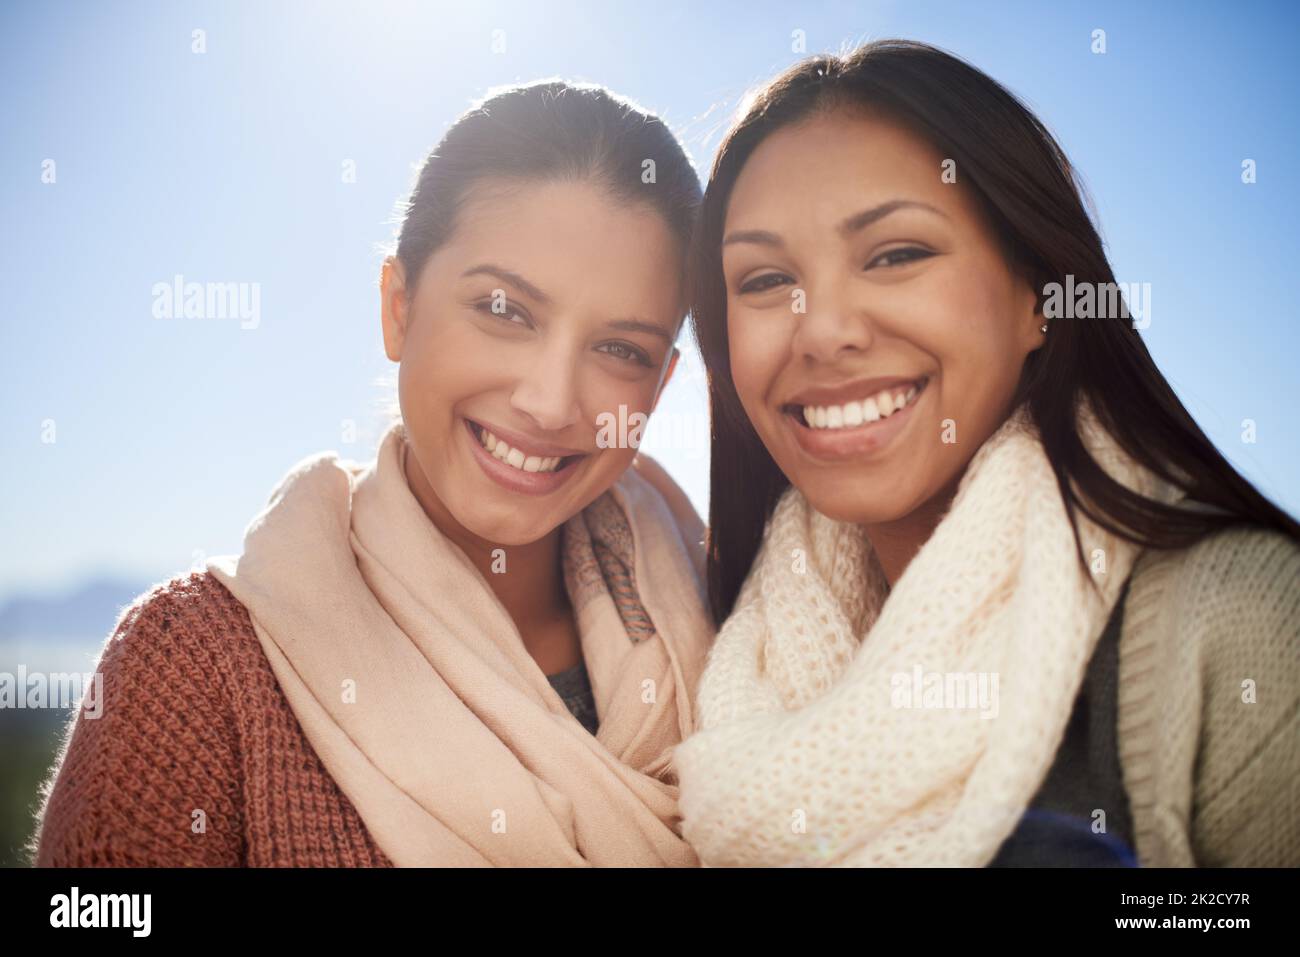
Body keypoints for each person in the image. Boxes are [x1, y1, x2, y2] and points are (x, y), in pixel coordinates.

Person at [32, 79, 715, 867]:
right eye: (504, 310)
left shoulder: (732, 635)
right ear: (398, 307)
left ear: (659, 385)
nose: (551, 401)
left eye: (620, 349)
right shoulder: (197, 666)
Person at [673, 39, 1300, 867]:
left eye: (896, 255)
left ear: (1040, 298)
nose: (822, 329)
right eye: (762, 280)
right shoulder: (721, 665)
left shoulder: (1248, 622)